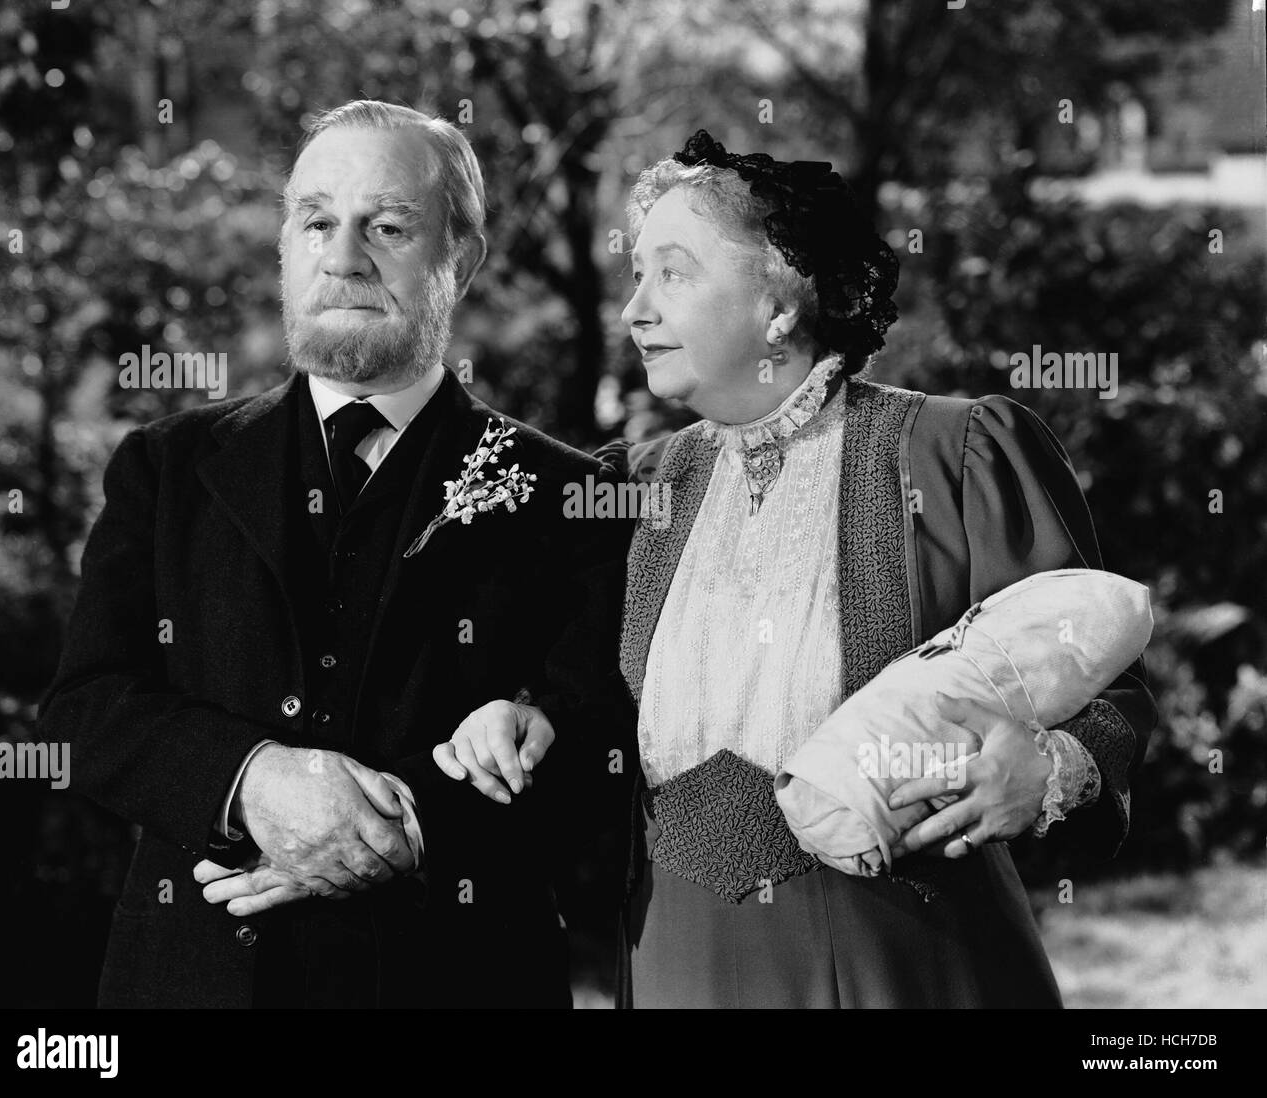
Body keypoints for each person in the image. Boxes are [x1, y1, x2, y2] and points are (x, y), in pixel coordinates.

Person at [434, 130, 1157, 1008]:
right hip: (675, 963)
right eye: (635, 277)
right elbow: (579, 696)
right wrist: (526, 715)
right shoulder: (631, 490)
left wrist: (1045, 770)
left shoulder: (956, 455)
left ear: (779, 300)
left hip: (910, 961)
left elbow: (1109, 689)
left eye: (674, 272)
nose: (634, 310)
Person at [37, 100, 635, 1009]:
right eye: (317, 221)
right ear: (286, 245)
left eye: (388, 227)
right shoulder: (165, 468)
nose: (344, 256)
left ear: (459, 259)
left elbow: (602, 757)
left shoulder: (569, 495)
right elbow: (85, 712)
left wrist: (401, 833)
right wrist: (253, 783)